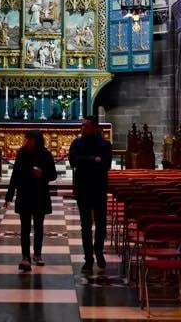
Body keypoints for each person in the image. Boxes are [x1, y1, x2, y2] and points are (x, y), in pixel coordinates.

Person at [5, 130, 57, 271]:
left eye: (29, 139)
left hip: (40, 194)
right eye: (26, 139)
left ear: (36, 140)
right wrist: (9, 195)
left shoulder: (46, 154)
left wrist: (42, 173)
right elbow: (15, 175)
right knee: (25, 228)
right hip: (25, 194)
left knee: (39, 227)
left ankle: (37, 254)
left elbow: (53, 175)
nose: (26, 141)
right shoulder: (22, 154)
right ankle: (25, 257)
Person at [68, 115, 113, 274]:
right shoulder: (77, 143)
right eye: (82, 125)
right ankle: (88, 258)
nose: (82, 128)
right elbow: (73, 161)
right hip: (83, 188)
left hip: (99, 188)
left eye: (85, 125)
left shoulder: (105, 144)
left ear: (94, 127)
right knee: (85, 225)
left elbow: (106, 164)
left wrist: (85, 161)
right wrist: (94, 159)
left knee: (101, 223)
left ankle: (98, 251)